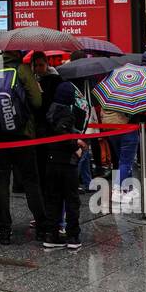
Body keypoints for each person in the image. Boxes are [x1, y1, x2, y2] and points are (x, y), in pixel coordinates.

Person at [0, 49, 47, 245]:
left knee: (0, 181)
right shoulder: (22, 69)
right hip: (22, 135)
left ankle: (4, 231)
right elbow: (37, 102)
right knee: (31, 180)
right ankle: (42, 227)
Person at [41, 79, 85, 249]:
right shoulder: (67, 113)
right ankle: (73, 236)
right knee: (71, 200)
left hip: (51, 162)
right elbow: (63, 133)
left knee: (53, 199)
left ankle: (51, 234)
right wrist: (77, 146)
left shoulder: (50, 111)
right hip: (67, 163)